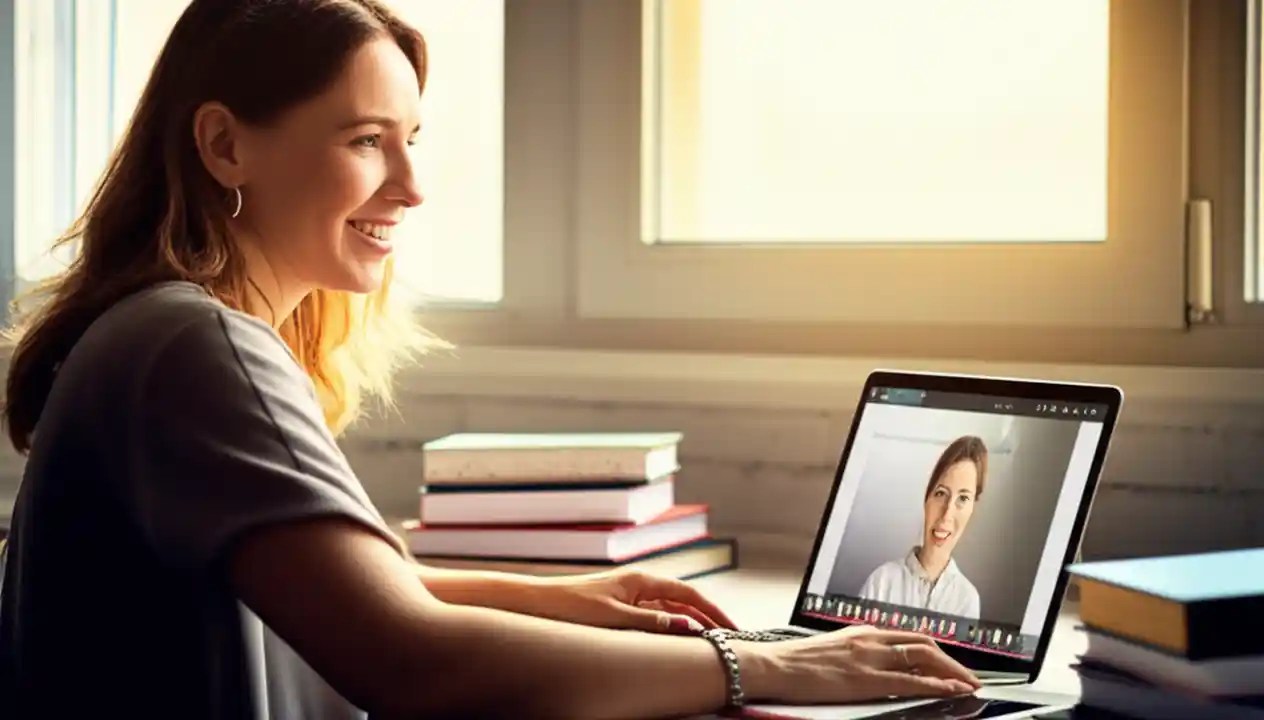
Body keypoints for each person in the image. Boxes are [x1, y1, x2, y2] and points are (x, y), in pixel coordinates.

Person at [0, 1, 982, 717]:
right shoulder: (195, 344)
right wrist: (761, 666)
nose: (414, 185)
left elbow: (350, 589)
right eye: (366, 140)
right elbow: (411, 663)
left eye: (413, 139)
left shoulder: (161, 329)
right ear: (223, 146)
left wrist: (559, 601)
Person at [859, 436, 987, 619]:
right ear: (926, 499)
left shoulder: (967, 599)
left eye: (963, 498)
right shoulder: (881, 581)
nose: (947, 514)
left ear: (972, 508)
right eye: (941, 493)